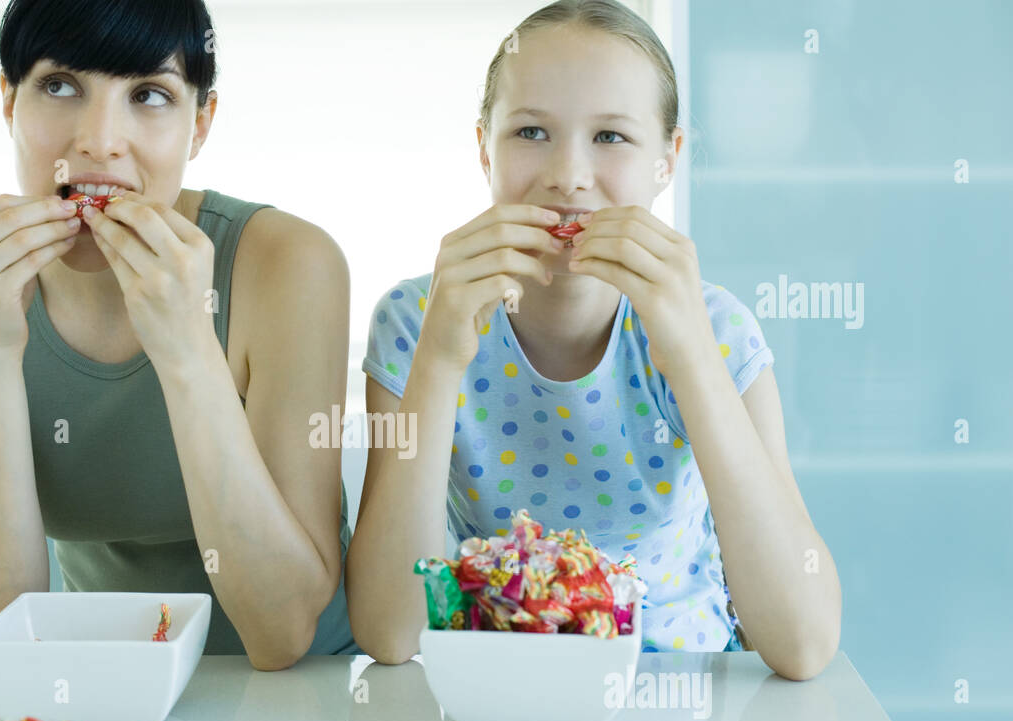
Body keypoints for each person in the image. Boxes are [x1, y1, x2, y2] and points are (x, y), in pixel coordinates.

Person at [346, 0, 840, 680]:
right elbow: (388, 633)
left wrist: (693, 358)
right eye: (530, 131)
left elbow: (804, 642)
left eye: (610, 137)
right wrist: (437, 359)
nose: (569, 175)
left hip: (682, 691)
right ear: (483, 146)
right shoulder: (415, 321)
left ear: (668, 160)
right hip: (500, 689)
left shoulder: (719, 330)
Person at [0, 0, 357, 669]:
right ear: (8, 101)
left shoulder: (292, 266)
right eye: (60, 86)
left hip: (308, 696)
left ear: (201, 124)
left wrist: (188, 349)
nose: (100, 140)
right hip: (105, 690)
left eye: (148, 94)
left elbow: (283, 631)